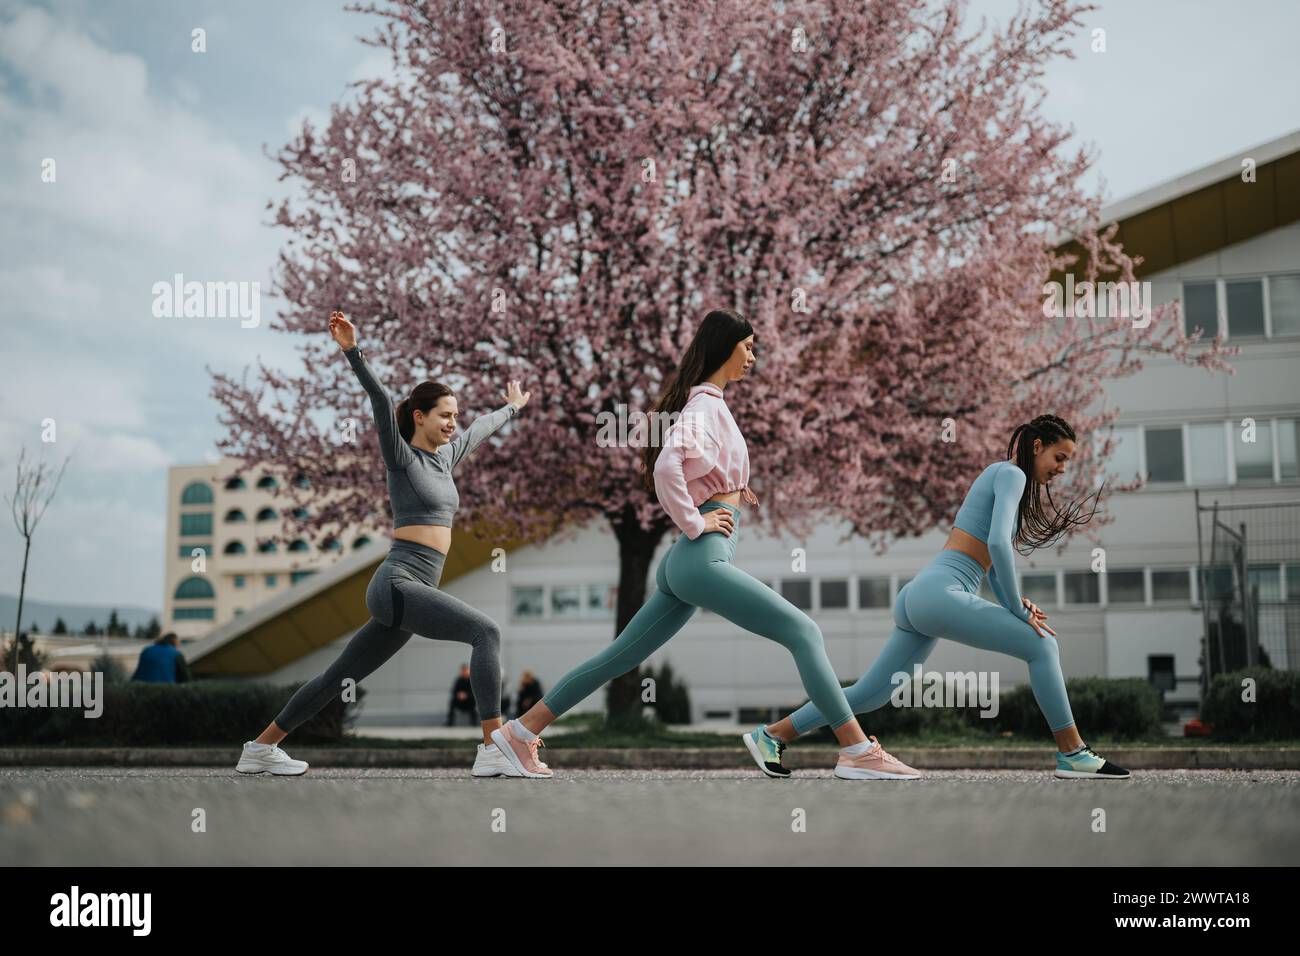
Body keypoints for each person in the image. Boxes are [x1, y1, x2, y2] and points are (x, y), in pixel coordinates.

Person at [491, 308, 918, 781]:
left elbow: (695, 467)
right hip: (700, 558)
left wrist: (729, 492)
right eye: (749, 345)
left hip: (689, 562)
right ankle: (856, 749)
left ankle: (517, 734)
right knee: (805, 633)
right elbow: (666, 466)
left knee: (619, 658)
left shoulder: (711, 403)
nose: (754, 355)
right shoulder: (704, 407)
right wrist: (695, 523)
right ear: (725, 347)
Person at [750, 415, 1131, 781]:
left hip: (922, 595)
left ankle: (772, 735)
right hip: (939, 593)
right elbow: (998, 544)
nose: (1062, 468)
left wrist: (1015, 604)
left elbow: (993, 567)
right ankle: (1072, 753)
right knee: (1043, 646)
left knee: (870, 694)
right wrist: (1015, 609)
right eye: (1059, 457)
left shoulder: (999, 475)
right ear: (1037, 446)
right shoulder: (1012, 473)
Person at [237, 311, 530, 777]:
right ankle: (492, 748)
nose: (454, 423)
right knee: (486, 632)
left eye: (455, 415)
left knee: (338, 677)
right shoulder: (401, 456)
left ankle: (260, 748)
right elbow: (381, 396)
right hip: (397, 582)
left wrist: (512, 408)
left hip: (407, 594)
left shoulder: (445, 457)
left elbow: (479, 430)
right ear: (420, 416)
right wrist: (353, 351)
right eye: (445, 415)